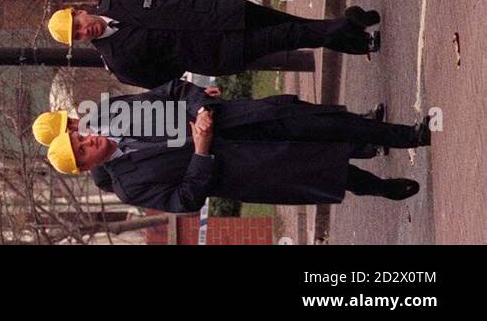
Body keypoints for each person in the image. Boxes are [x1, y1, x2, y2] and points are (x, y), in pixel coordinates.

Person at [40, 79, 430, 212]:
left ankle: (408, 135)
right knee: (331, 171)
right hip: (247, 166)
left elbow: (172, 90)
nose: (88, 139)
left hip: (241, 120)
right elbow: (185, 201)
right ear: (87, 167)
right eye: (83, 149)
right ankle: (383, 188)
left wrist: (199, 104)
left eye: (80, 137)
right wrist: (201, 151)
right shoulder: (128, 185)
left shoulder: (115, 113)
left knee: (324, 123)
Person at [46, 0, 379, 89]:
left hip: (216, 11)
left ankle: (356, 36)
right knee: (289, 36)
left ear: (78, 11)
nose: (84, 31)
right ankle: (349, 23)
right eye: (78, 37)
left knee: (291, 24)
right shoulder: (119, 62)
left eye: (78, 24)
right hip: (218, 51)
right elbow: (165, 80)